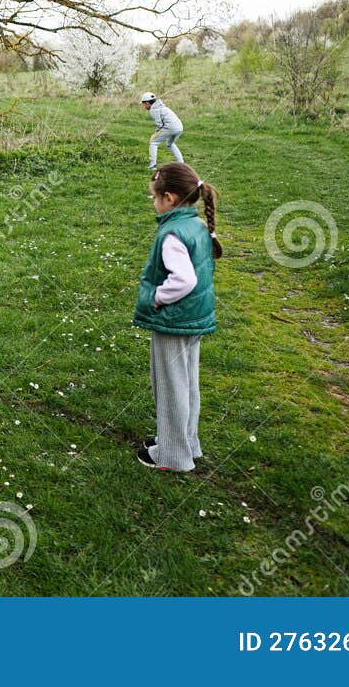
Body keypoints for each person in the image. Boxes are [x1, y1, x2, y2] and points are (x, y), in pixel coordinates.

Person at [133, 161, 221, 472]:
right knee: (186, 382)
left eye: (154, 198)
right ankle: (186, 442)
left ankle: (172, 456)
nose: (153, 204)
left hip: (174, 320)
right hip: (193, 318)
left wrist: (157, 297)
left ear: (169, 198)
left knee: (170, 387)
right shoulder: (197, 225)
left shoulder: (172, 234)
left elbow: (184, 280)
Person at [139, 91, 184, 172]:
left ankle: (153, 165)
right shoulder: (161, 107)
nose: (144, 106)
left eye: (144, 104)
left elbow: (159, 125)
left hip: (171, 127)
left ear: (147, 103)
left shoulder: (153, 110)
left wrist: (155, 134)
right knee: (170, 144)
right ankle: (181, 163)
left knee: (153, 142)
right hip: (179, 127)